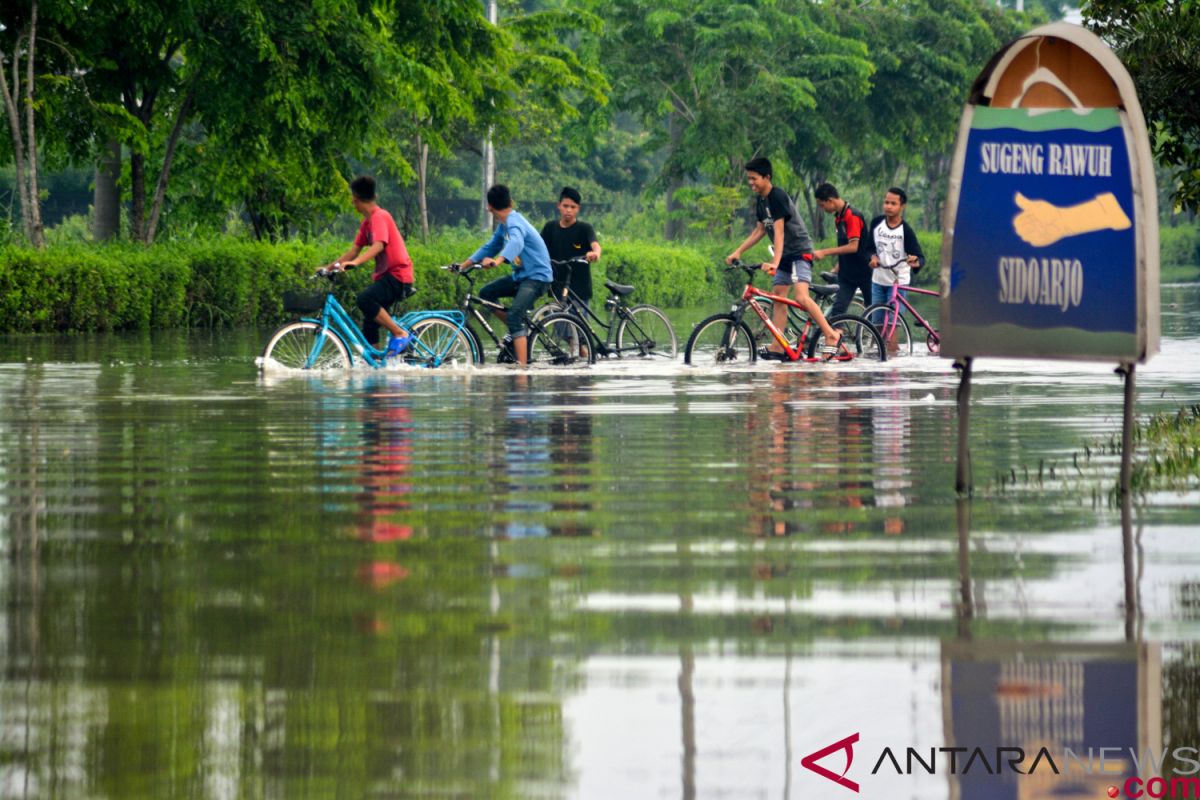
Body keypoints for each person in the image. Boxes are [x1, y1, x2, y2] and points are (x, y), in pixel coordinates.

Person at [725, 157, 841, 360]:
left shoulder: (777, 196)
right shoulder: (761, 200)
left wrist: (775, 263)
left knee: (801, 297)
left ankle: (831, 335)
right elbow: (760, 230)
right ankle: (779, 345)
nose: (751, 182)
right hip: (784, 255)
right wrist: (738, 251)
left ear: (766, 177)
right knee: (779, 297)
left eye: (754, 178)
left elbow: (779, 232)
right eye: (749, 179)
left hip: (799, 252)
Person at [458, 184, 554, 366]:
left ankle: (523, 371)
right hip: (522, 277)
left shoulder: (514, 222)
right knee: (486, 293)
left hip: (537, 277)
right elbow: (490, 246)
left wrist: (498, 261)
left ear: (489, 207)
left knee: (515, 317)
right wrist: (463, 265)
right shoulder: (504, 225)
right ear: (510, 201)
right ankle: (516, 329)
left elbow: (517, 242)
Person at [327, 175, 415, 357]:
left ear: (356, 200)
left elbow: (379, 245)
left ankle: (400, 333)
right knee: (369, 321)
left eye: (353, 201)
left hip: (398, 276)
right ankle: (375, 361)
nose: (354, 204)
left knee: (364, 299)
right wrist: (330, 267)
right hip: (387, 277)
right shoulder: (366, 223)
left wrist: (355, 263)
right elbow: (353, 252)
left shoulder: (380, 216)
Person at [862, 187, 926, 348]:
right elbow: (868, 248)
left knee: (891, 324)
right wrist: (872, 257)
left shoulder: (906, 230)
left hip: (898, 282)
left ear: (902, 206)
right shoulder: (877, 223)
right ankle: (881, 356)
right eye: (886, 202)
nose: (888, 206)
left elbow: (920, 257)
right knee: (876, 322)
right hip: (878, 280)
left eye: (893, 203)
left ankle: (892, 362)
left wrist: (915, 260)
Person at [812, 183, 872, 318]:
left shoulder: (852, 216)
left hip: (865, 272)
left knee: (872, 311)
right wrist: (836, 268)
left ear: (830, 201)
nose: (823, 209)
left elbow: (853, 247)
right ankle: (837, 338)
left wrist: (824, 252)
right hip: (846, 275)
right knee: (838, 312)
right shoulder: (839, 218)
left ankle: (876, 339)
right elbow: (844, 247)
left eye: (822, 205)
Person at [541, 186, 602, 307]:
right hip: (557, 287)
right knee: (558, 323)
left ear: (578, 209)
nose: (568, 210)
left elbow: (595, 245)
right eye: (565, 206)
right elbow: (537, 247)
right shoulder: (550, 228)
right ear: (559, 205)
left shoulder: (585, 228)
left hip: (579, 290)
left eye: (573, 207)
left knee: (578, 324)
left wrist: (595, 254)